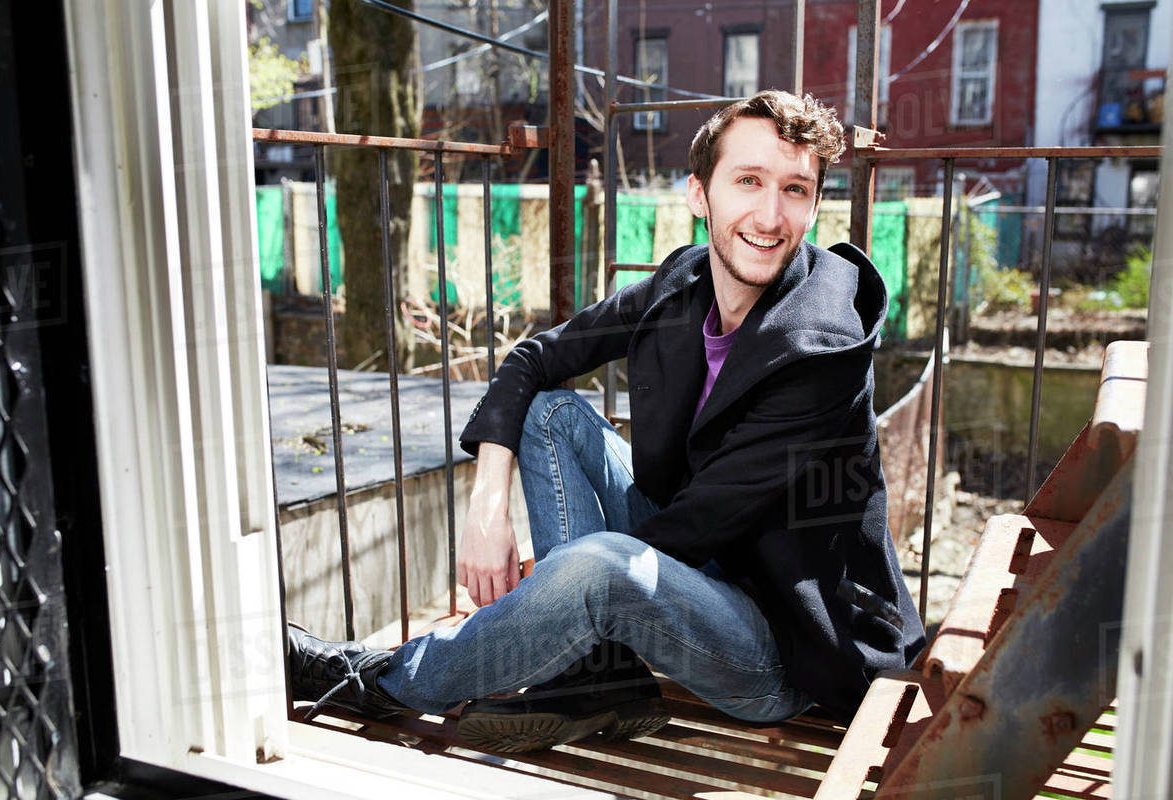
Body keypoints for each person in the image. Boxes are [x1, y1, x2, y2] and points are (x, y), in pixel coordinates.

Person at [288, 89, 926, 753]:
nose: (770, 215)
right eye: (748, 181)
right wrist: (487, 504)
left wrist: (558, 595)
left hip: (786, 647)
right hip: (705, 568)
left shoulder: (824, 344)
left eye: (796, 189)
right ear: (698, 194)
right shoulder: (686, 282)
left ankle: (375, 679)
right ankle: (597, 679)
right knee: (550, 414)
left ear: (815, 203)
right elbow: (536, 358)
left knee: (598, 570)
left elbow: (691, 526)